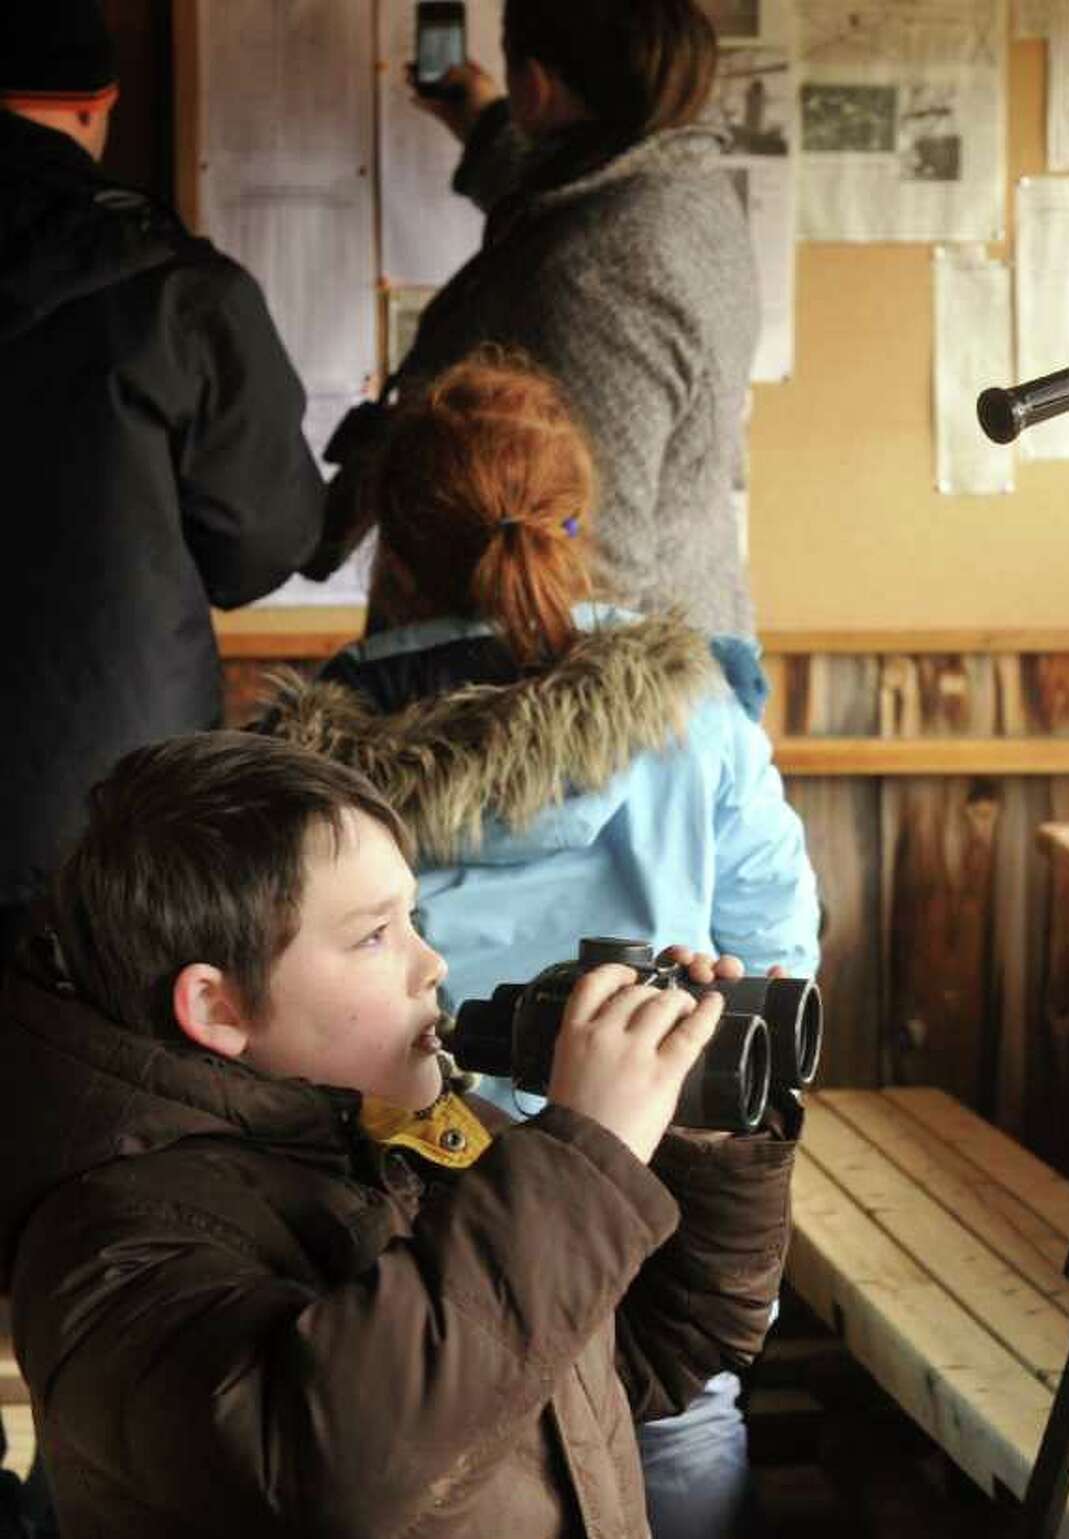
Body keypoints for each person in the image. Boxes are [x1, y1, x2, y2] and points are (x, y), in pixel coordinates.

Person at [262, 351, 819, 1539]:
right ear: (579, 519)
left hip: (407, 1195)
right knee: (676, 1411)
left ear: (395, 546)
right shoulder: (694, 711)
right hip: (656, 1174)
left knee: (456, 1451)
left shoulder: (318, 755)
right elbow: (778, 957)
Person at [0, 729, 796, 1538]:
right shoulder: (104, 1250)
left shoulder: (423, 1138)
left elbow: (650, 1356)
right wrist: (585, 1158)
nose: (433, 964)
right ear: (218, 1007)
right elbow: (336, 1471)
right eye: (375, 934)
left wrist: (708, 1149)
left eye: (412, 916)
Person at [0, 0, 326, 957]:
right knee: (101, 1087)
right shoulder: (179, 292)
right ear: (98, 105)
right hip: (103, 806)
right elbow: (261, 544)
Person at [305, 0, 758, 641]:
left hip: (595, 704)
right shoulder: (681, 187)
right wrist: (487, 123)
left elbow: (594, 565)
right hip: (678, 645)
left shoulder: (597, 275)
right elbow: (555, 202)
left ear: (538, 86)